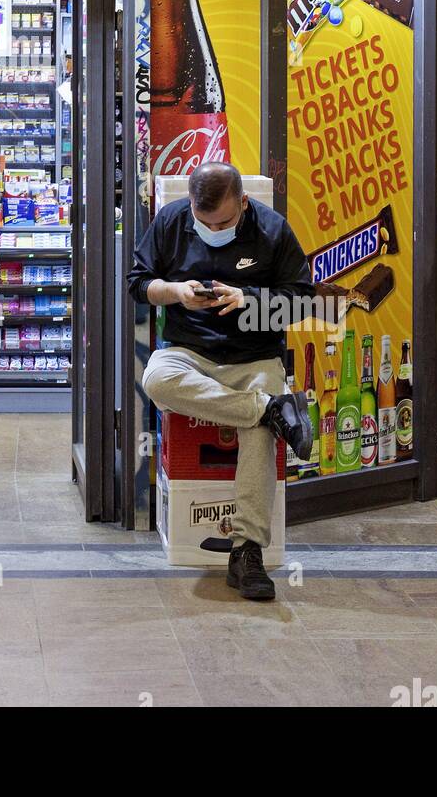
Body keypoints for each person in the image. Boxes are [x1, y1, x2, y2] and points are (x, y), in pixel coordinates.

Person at [130, 161, 314, 601]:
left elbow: (304, 300)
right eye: (204, 220)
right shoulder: (172, 220)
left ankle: (247, 550)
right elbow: (137, 284)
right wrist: (175, 292)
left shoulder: (273, 230)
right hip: (188, 351)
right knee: (157, 380)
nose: (214, 228)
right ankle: (273, 410)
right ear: (191, 205)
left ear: (244, 203)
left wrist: (248, 298)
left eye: (225, 222)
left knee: (257, 434)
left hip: (255, 353)